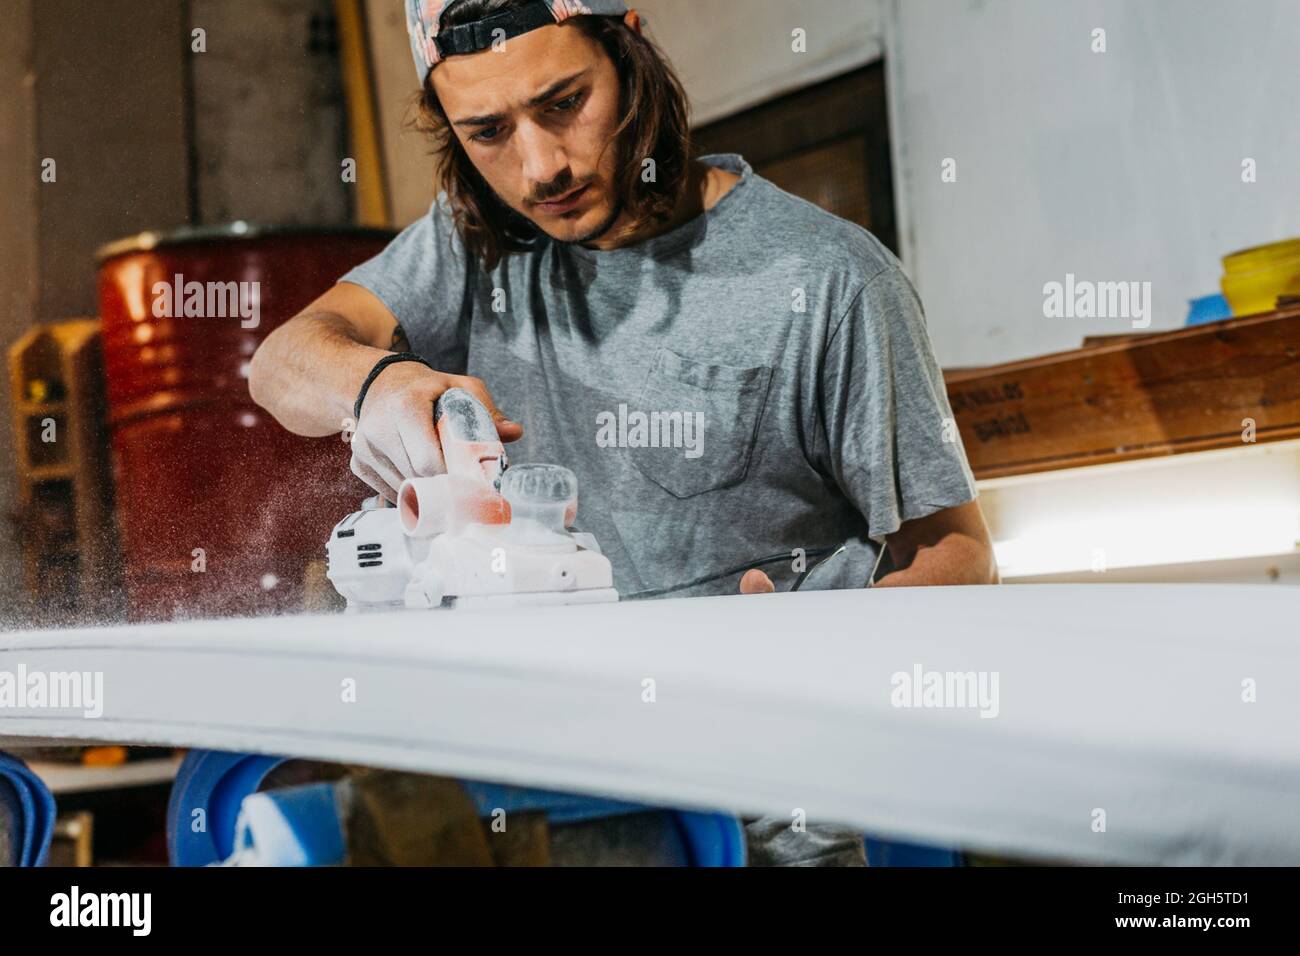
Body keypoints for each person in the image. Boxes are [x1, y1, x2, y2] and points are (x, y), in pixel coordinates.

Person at [250, 0, 998, 866]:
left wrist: (813, 658)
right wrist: (377, 383)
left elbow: (957, 558)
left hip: (761, 826)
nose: (539, 169)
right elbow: (280, 364)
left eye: (564, 104)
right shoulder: (480, 245)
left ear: (631, 53)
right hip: (553, 793)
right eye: (487, 131)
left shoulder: (829, 278)